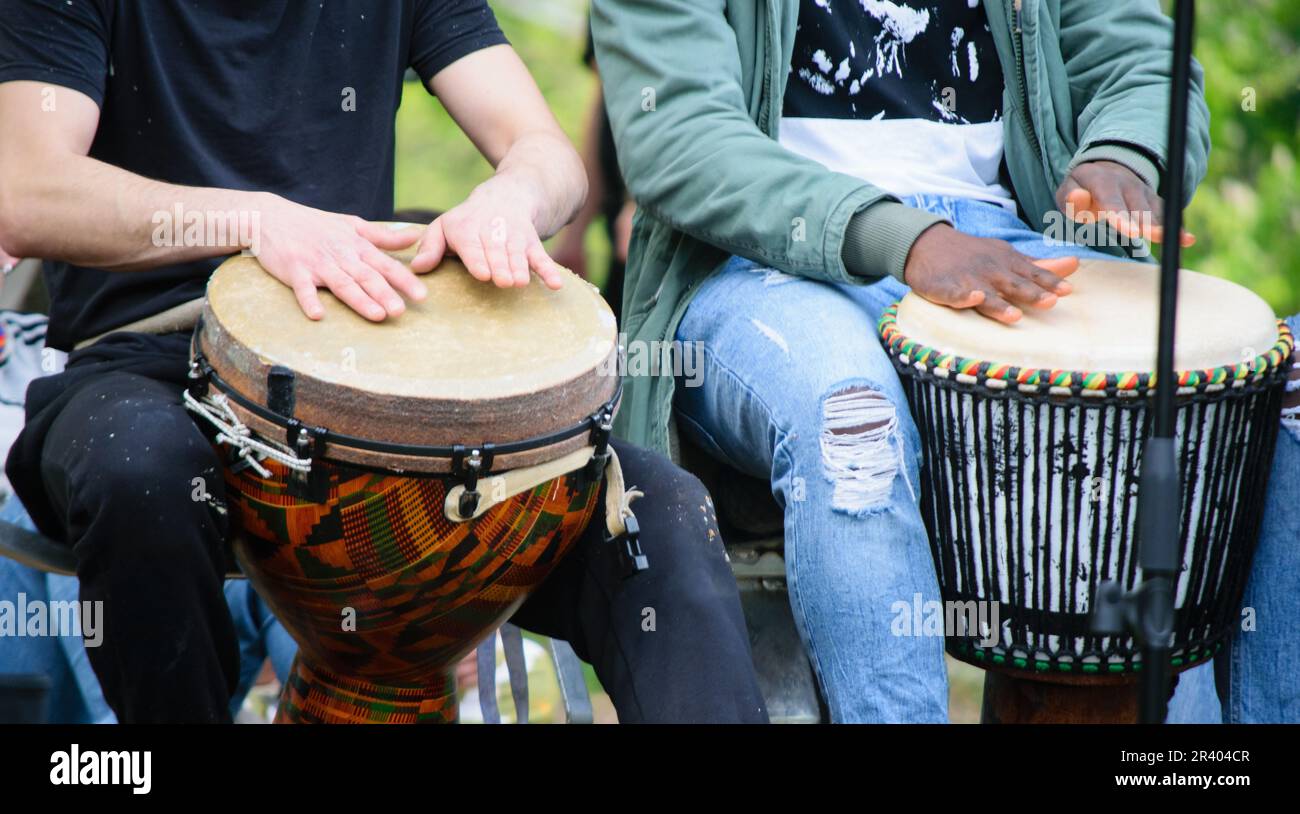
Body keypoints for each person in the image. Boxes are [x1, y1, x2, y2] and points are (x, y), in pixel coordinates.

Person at [0, 0, 765, 724]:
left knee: (657, 512)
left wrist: (514, 199)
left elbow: (550, 158)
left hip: (368, 382)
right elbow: (27, 192)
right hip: (146, 364)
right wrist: (256, 217)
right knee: (140, 474)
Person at [592, 0, 1298, 721]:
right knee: (850, 414)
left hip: (1012, 240)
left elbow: (1140, 56)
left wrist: (1126, 151)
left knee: (1288, 387)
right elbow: (678, 134)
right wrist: (905, 239)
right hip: (764, 258)